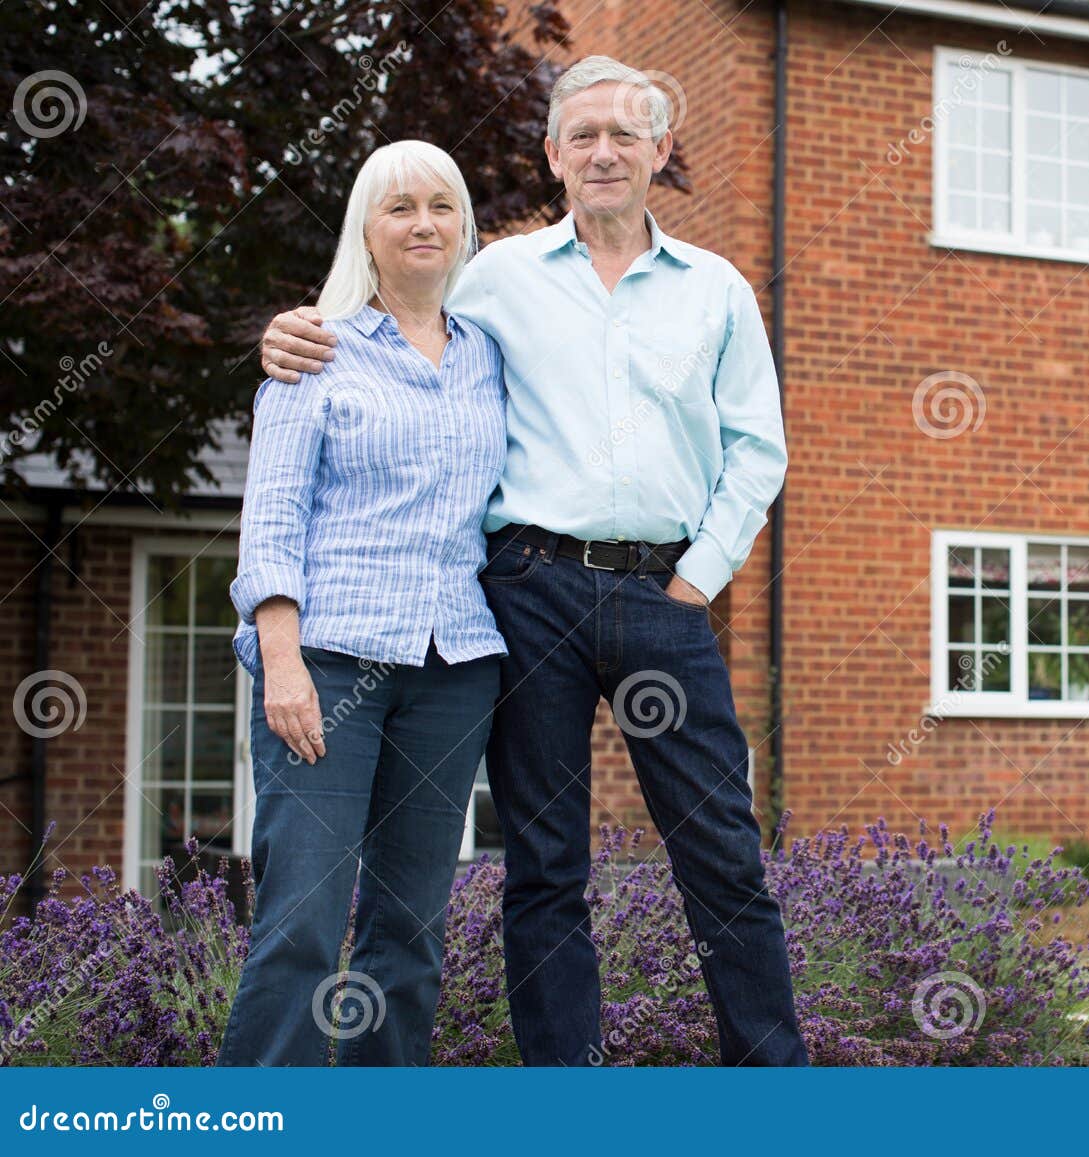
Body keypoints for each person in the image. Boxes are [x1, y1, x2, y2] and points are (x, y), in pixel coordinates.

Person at [259, 56, 808, 1066]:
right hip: (526, 593)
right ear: (553, 155)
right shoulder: (497, 274)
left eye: (625, 134)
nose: (604, 152)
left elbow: (756, 449)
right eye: (582, 135)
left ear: (658, 151)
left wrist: (698, 580)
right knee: (546, 863)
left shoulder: (716, 291)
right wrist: (296, 331)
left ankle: (772, 1086)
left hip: (663, 594)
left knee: (722, 850)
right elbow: (393, 304)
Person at [220, 140, 508, 1066]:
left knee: (412, 929)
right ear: (368, 232)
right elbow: (271, 517)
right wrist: (282, 660)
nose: (422, 222)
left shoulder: (493, 357)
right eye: (399, 208)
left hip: (454, 667)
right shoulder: (317, 351)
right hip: (331, 660)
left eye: (440, 205)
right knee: (302, 921)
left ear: (463, 226)